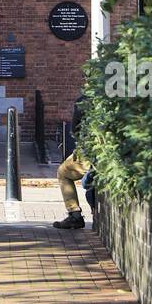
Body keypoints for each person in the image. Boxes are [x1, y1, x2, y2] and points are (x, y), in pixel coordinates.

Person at [53, 95, 91, 230]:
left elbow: (75, 129)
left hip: (90, 152)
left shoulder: (84, 101)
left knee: (63, 172)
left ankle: (74, 214)